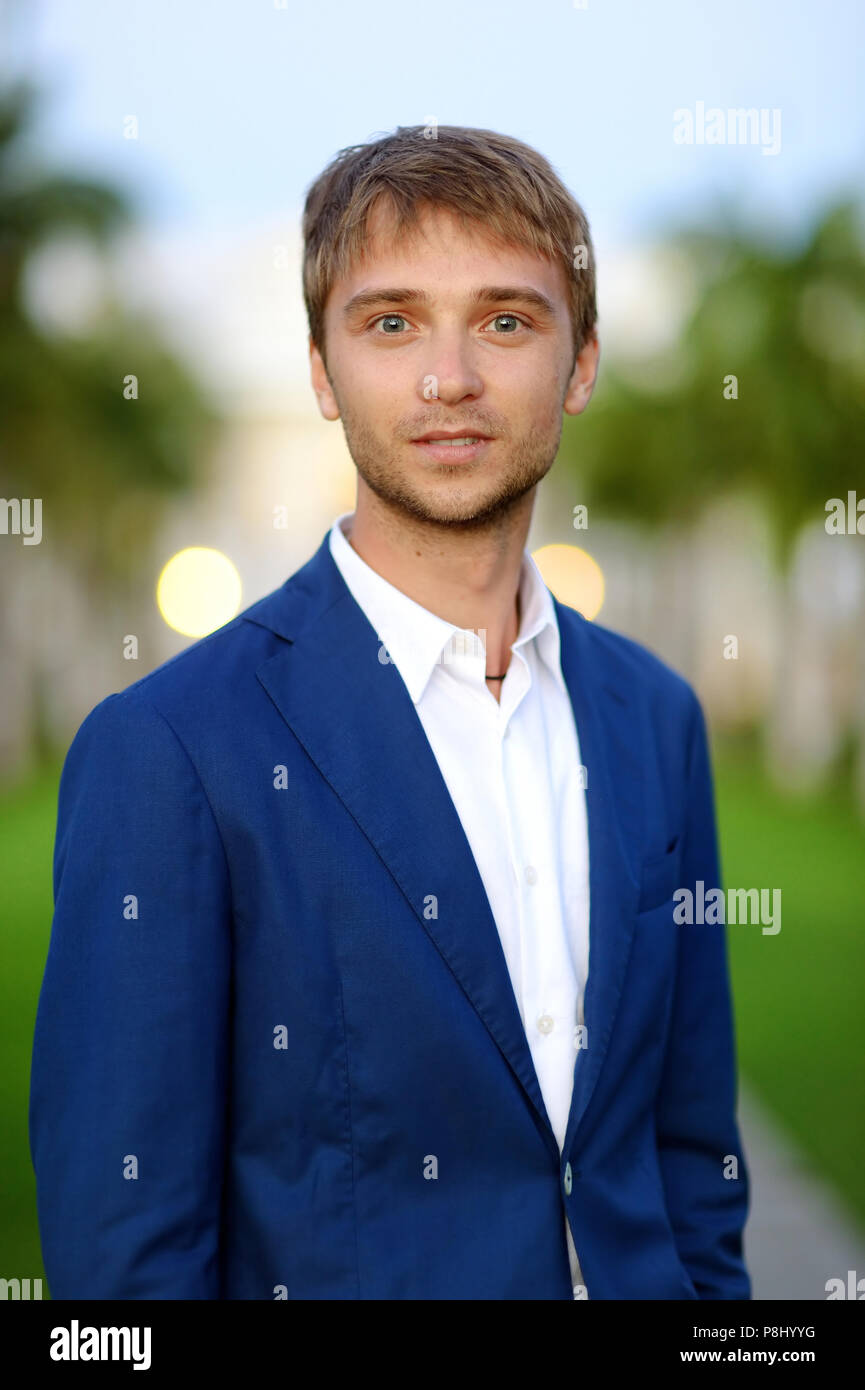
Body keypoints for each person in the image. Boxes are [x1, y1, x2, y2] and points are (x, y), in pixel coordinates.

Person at [30, 125, 751, 1300]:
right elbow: (125, 1267)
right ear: (320, 369)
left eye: (507, 321)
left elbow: (691, 1167)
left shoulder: (654, 719)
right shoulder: (168, 750)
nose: (448, 378)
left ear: (580, 364)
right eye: (391, 322)